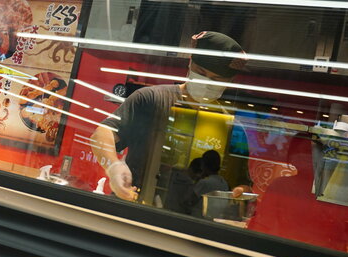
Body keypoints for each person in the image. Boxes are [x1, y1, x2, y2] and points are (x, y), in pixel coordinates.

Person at [88, 31, 247, 202]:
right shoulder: (151, 99)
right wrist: (113, 166)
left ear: (228, 82)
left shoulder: (231, 126)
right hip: (135, 205)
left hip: (190, 223)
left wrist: (238, 194)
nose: (206, 82)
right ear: (190, 62)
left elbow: (243, 184)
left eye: (216, 79)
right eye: (200, 72)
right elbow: (101, 134)